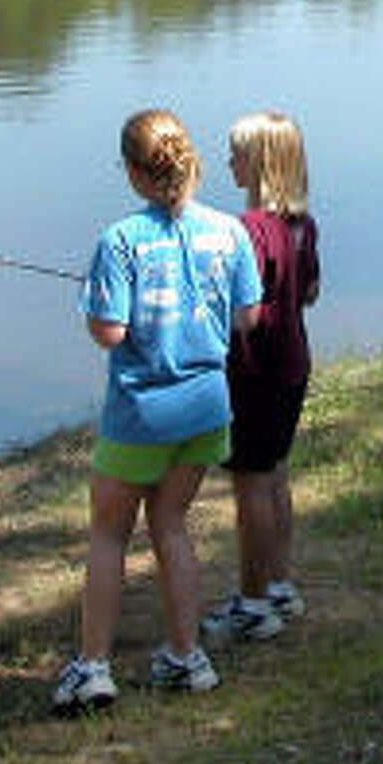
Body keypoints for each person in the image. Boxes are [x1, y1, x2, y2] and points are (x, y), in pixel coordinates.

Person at [53, 108, 263, 714]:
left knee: (109, 535)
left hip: (142, 413)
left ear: (133, 173)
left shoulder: (120, 240)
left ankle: (93, 668)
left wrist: (95, 304)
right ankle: (187, 657)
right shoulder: (230, 231)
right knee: (171, 526)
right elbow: (248, 317)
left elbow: (110, 332)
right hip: (206, 409)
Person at [201, 111, 319, 645]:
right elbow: (310, 292)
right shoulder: (303, 224)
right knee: (275, 474)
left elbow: (239, 312)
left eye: (236, 153)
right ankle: (278, 586)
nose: (228, 161)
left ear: (259, 164)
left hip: (253, 373)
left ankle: (251, 606)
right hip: (294, 365)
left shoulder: (246, 230)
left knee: (250, 483)